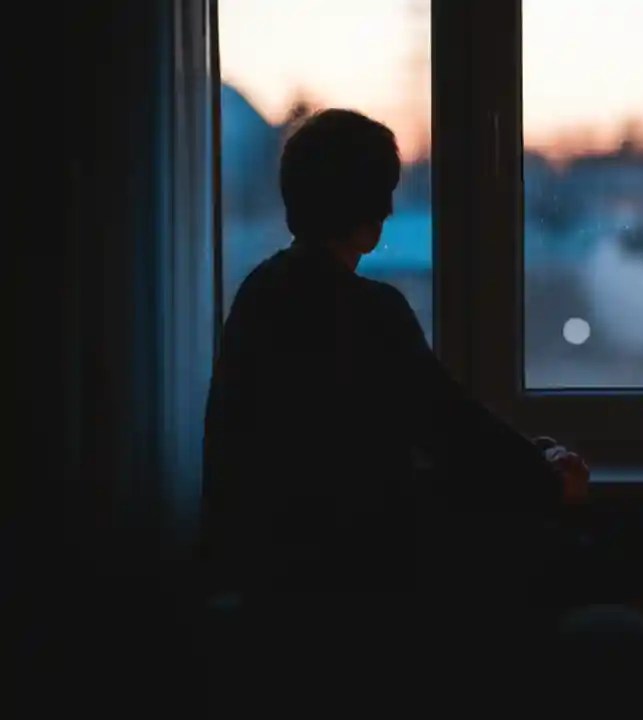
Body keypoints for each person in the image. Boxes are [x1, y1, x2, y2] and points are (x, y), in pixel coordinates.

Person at [200, 109, 590, 708]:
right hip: (360, 584)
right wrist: (546, 479)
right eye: (383, 193)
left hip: (267, 580)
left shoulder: (259, 293)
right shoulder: (368, 311)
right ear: (369, 207)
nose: (387, 210)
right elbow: (451, 427)